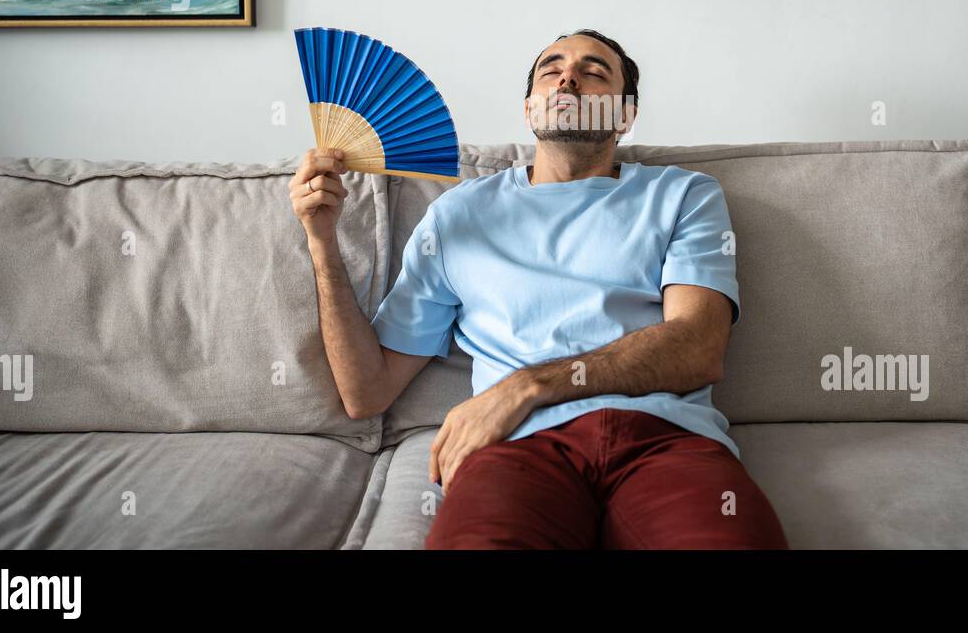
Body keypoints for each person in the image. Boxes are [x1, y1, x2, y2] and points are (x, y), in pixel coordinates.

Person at [289, 29, 788, 549]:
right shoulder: (458, 213)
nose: (568, 77)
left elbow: (699, 347)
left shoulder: (683, 194)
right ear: (531, 110)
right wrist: (322, 240)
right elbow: (366, 392)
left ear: (624, 116)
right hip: (517, 448)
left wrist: (525, 386)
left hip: (664, 438)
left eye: (595, 73)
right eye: (551, 70)